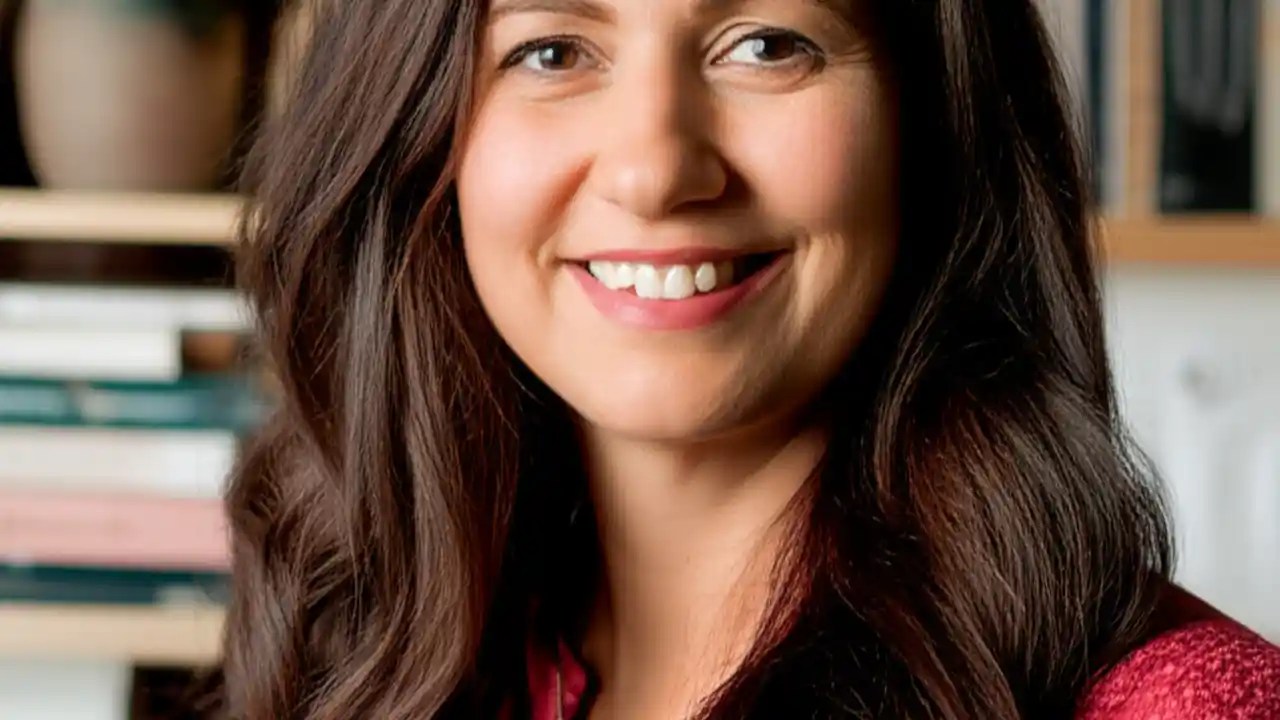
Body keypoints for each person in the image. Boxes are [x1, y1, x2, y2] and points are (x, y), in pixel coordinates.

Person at [221, 0, 1280, 718]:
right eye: (550, 50)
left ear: (933, 119)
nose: (654, 170)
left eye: (767, 42)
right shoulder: (383, 662)